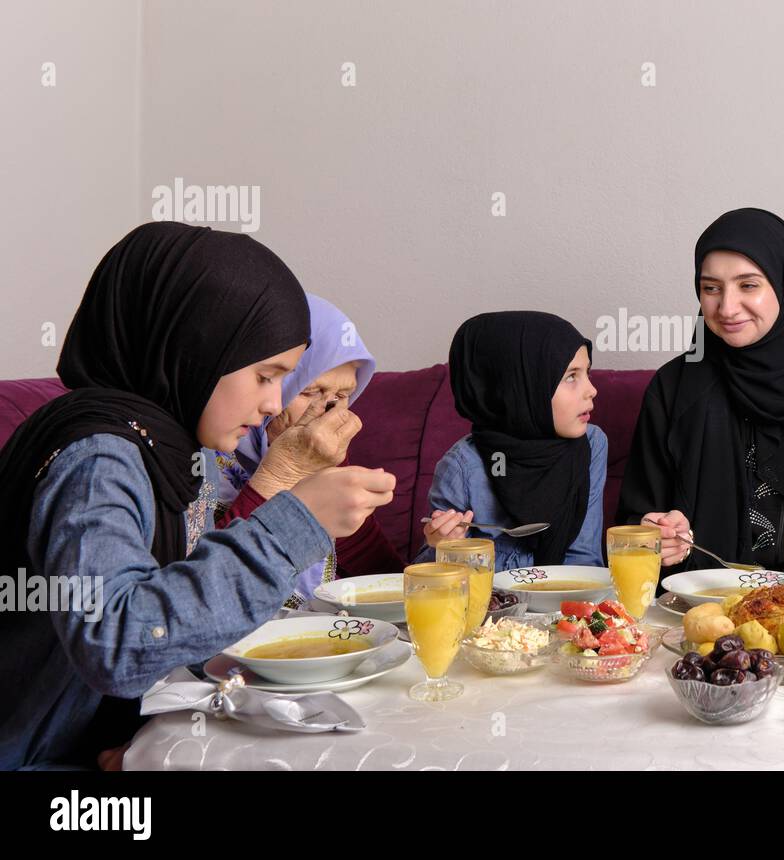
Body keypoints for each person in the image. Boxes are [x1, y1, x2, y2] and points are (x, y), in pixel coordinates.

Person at [0, 222, 395, 769]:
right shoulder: (97, 458)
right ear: (196, 349)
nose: (271, 404)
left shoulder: (169, 449)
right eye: (265, 375)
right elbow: (118, 643)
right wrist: (295, 521)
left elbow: (185, 614)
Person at [616, 208, 784, 580]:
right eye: (711, 288)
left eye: (748, 285)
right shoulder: (674, 387)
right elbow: (635, 524)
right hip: (696, 605)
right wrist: (656, 536)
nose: (726, 308)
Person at [215, 293, 403, 606]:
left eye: (343, 395)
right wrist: (286, 469)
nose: (327, 409)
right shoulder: (210, 460)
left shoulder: (318, 447)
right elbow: (204, 588)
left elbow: (368, 557)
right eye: (310, 391)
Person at [418, 311, 606, 569]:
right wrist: (442, 545)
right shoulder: (462, 467)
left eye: (587, 373)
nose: (591, 390)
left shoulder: (591, 444)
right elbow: (433, 577)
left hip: (567, 604)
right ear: (521, 385)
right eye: (571, 376)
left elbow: (584, 560)